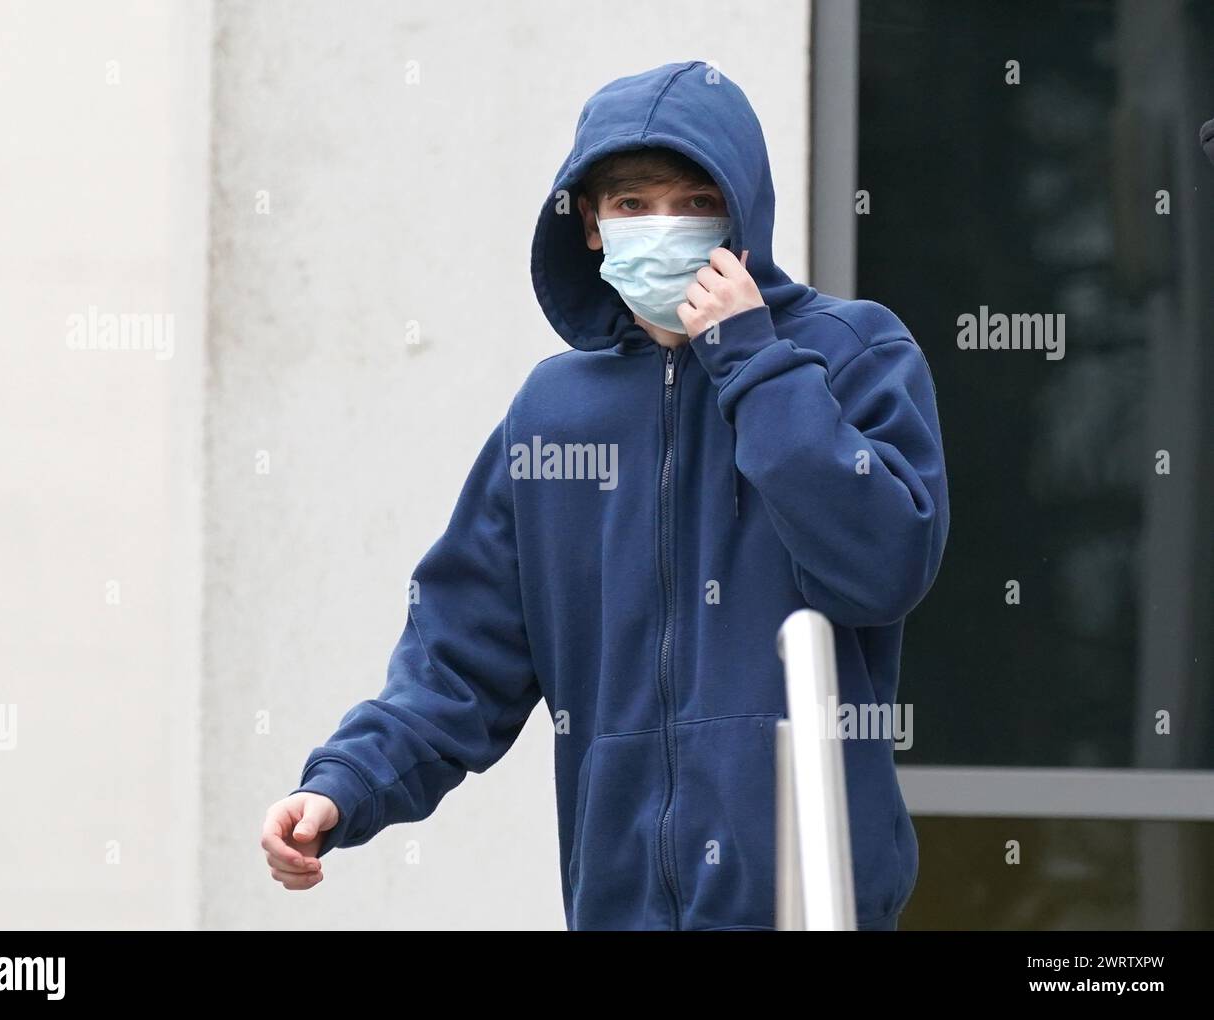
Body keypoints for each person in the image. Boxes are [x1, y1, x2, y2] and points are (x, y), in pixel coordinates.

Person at [260, 60, 949, 931]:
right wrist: (344, 785)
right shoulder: (552, 411)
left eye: (694, 201)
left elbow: (881, 568)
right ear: (589, 223)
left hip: (810, 908)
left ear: (742, 208)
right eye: (630, 205)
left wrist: (753, 363)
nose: (662, 225)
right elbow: (460, 657)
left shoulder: (854, 353)